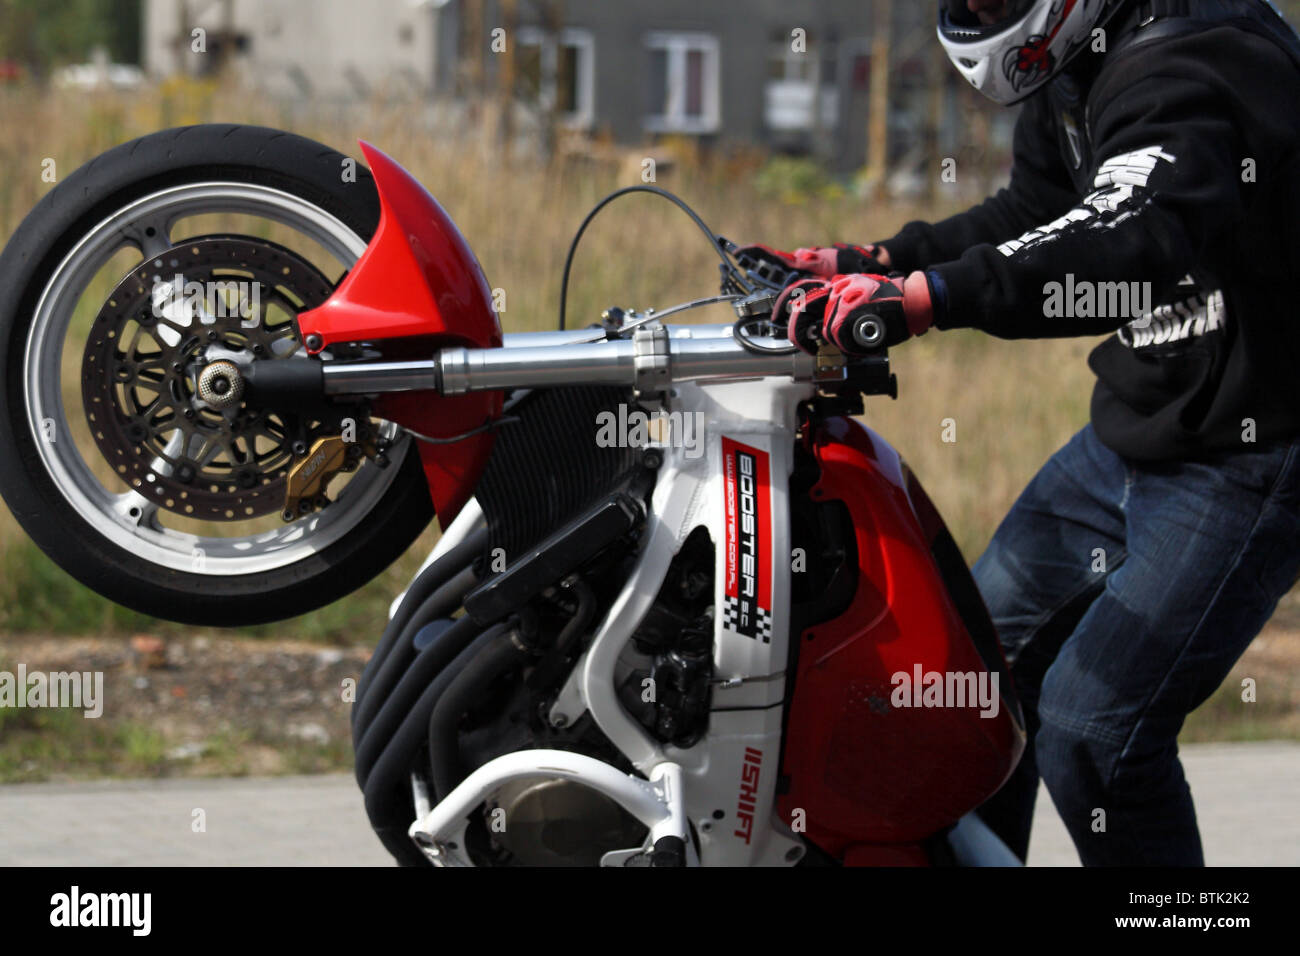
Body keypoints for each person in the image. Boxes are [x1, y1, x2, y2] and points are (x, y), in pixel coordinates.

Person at [741, 0, 1300, 865]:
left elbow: (1130, 230)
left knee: (1093, 732)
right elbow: (1037, 211)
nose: (980, 13)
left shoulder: (1199, 57)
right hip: (1137, 430)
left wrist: (929, 302)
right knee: (962, 688)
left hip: (1251, 453)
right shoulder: (1078, 61)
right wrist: (882, 263)